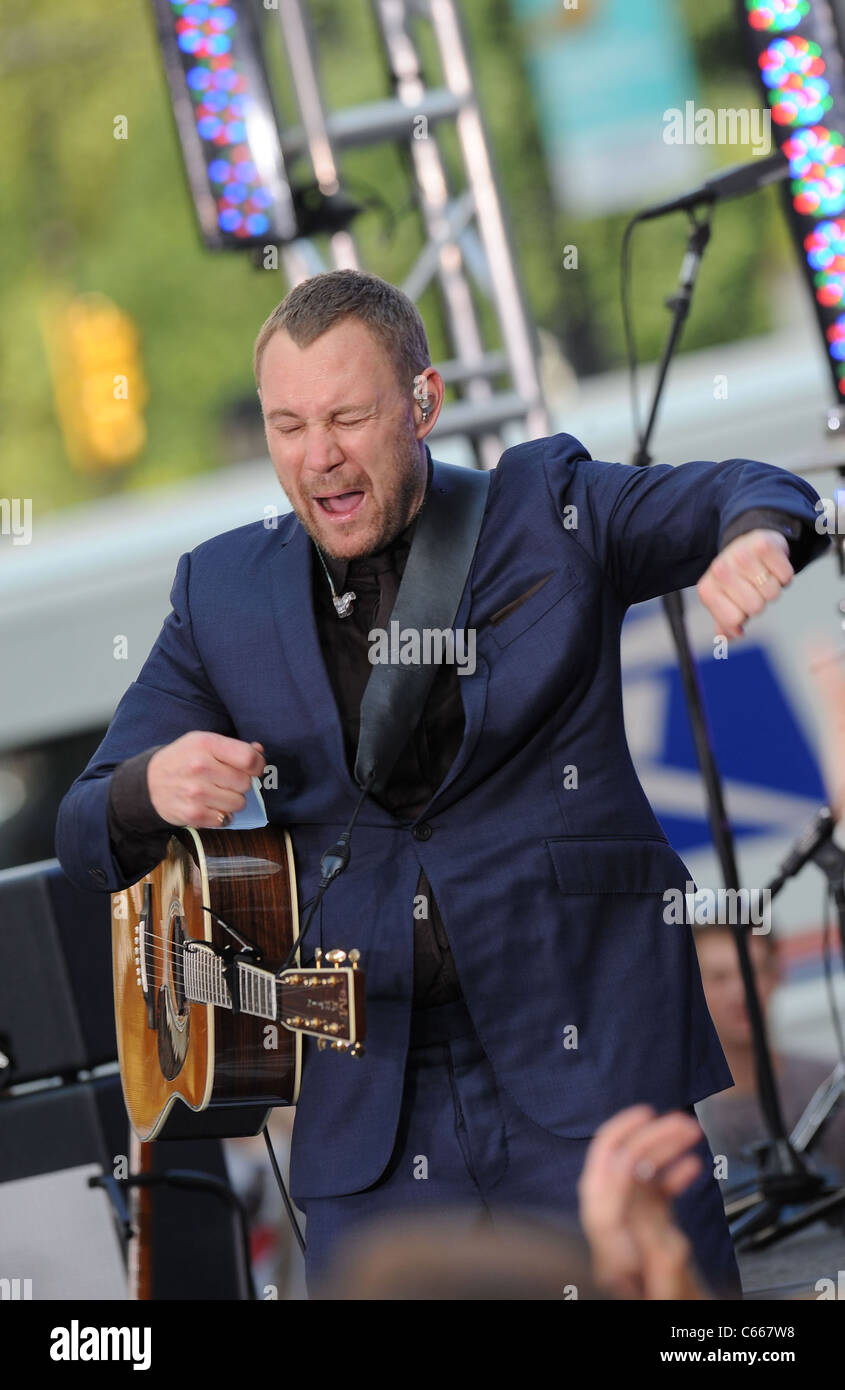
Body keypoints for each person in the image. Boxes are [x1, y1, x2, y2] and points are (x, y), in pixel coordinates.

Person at [55, 268, 830, 1298]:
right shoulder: (222, 591)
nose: (315, 453)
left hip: (588, 1076)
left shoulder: (545, 509)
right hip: (368, 1118)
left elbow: (759, 488)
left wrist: (756, 538)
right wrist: (149, 784)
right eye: (286, 425)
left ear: (421, 401)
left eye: (345, 415)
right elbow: (81, 831)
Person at [695, 924, 845, 1183]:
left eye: (751, 971)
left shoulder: (833, 1085)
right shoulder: (682, 1121)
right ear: (693, 989)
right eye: (719, 977)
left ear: (777, 974)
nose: (740, 992)